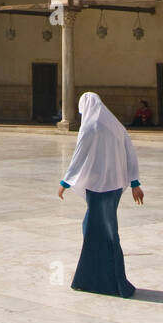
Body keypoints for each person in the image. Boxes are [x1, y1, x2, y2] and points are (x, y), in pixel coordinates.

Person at [58, 91, 143, 298]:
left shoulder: (90, 126)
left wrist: (65, 182)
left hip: (99, 188)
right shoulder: (115, 125)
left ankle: (112, 284)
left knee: (105, 233)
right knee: (92, 227)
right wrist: (134, 182)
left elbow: (79, 154)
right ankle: (96, 279)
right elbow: (130, 153)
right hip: (114, 187)